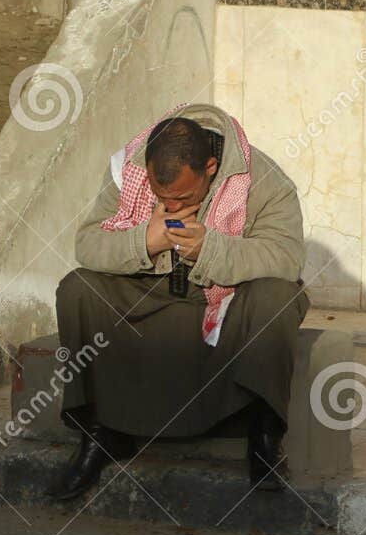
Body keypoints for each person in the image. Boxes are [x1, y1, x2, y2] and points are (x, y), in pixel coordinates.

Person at [46, 102, 307, 501]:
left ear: (211, 168)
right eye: (160, 196)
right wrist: (143, 242)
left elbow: (286, 258)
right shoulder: (129, 168)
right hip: (148, 297)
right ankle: (100, 435)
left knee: (278, 296)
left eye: (183, 196)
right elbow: (87, 244)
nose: (170, 207)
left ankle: (264, 441)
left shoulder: (263, 180)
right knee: (79, 289)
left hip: (225, 301)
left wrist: (211, 249)